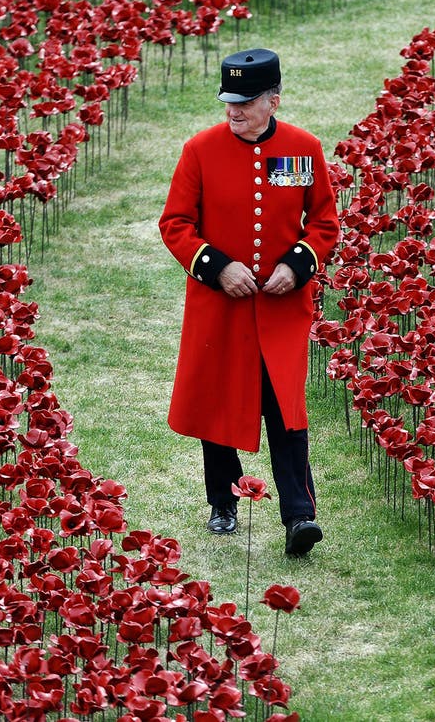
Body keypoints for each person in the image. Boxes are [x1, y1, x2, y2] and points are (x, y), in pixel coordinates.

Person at [159, 48, 340, 556]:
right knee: (218, 400)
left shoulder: (303, 149)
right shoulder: (199, 150)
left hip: (281, 309)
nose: (233, 111)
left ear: (273, 100)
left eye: (244, 102)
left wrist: (298, 264)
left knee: (286, 409)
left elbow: (324, 222)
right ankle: (222, 499)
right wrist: (216, 266)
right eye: (228, 102)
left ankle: (299, 517)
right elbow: (175, 224)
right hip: (220, 306)